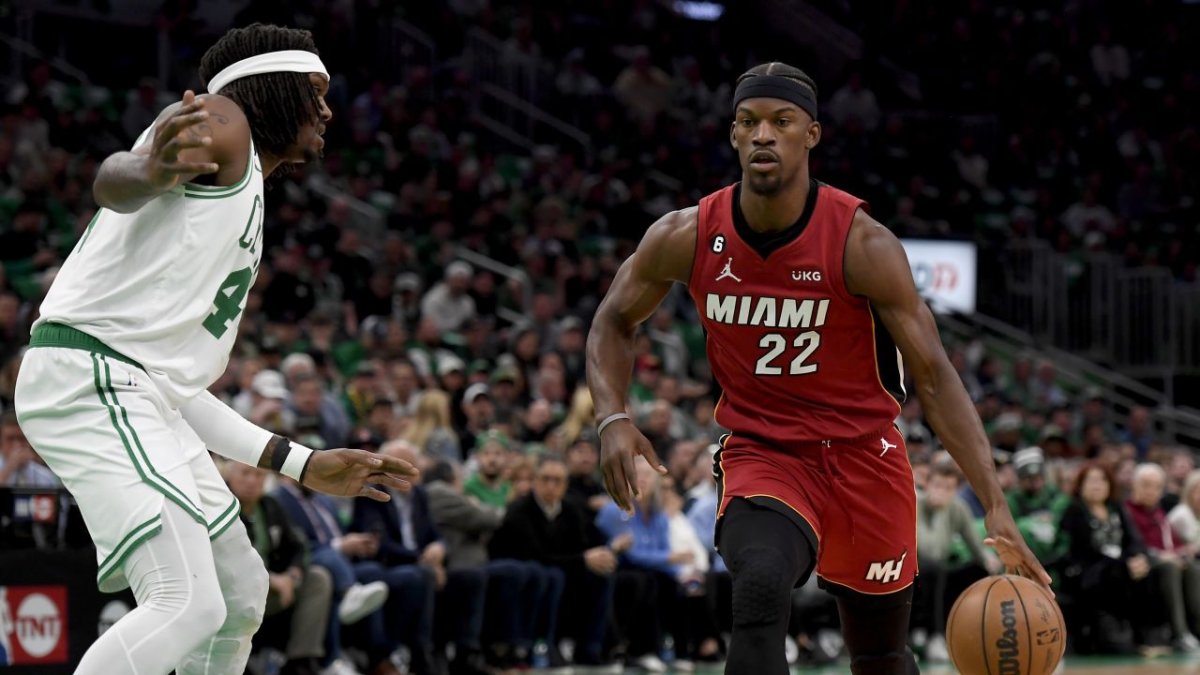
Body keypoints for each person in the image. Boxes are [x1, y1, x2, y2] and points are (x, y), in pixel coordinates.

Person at [586, 61, 1049, 675]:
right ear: (732, 135)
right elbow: (612, 321)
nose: (762, 136)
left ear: (812, 135)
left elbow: (933, 377)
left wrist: (993, 500)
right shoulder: (687, 234)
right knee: (758, 590)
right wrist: (612, 416)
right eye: (748, 123)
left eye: (781, 122)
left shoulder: (863, 245)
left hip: (865, 456)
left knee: (881, 655)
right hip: (764, 453)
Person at [12, 24, 417, 675]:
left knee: (235, 595)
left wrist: (301, 462)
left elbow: (177, 391)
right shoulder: (223, 120)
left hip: (135, 387)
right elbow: (116, 175)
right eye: (315, 91)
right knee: (185, 600)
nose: (327, 109)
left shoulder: (244, 189)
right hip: (92, 376)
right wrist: (143, 170)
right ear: (274, 89)